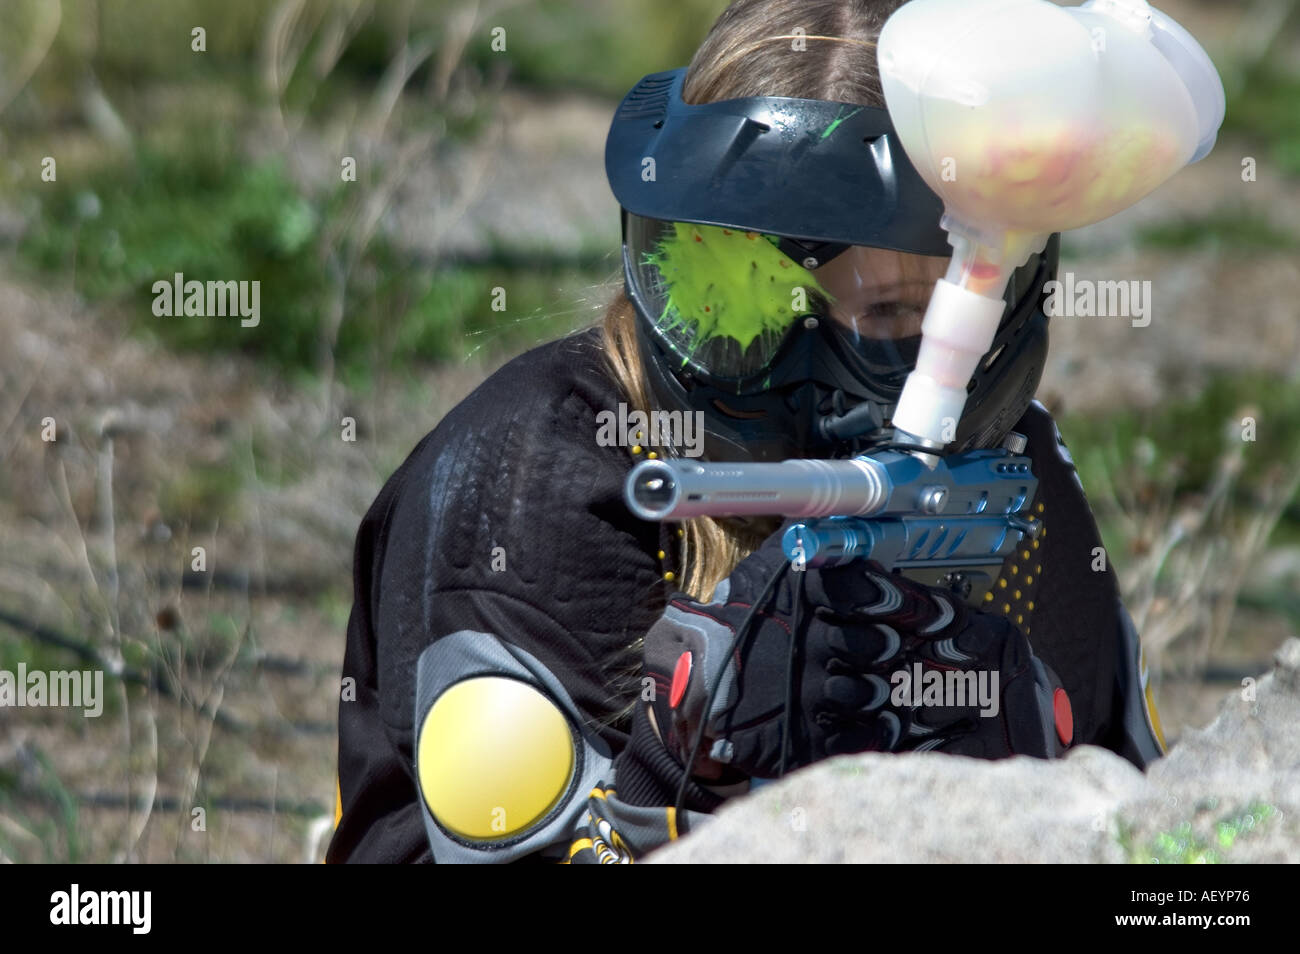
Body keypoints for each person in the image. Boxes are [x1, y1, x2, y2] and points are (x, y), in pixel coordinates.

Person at [326, 0, 1166, 865]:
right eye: (740, 308)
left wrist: (1024, 775)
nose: (804, 373)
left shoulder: (1005, 491)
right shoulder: (535, 477)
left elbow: (1166, 856)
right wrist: (677, 780)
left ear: (989, 305)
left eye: (892, 310)